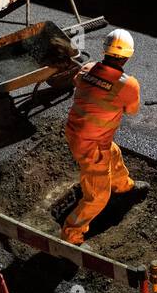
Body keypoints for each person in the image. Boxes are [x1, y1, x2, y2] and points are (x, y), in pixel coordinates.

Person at [61, 29, 149, 244]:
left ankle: (123, 186)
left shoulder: (87, 68)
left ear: (104, 50)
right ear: (129, 55)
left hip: (76, 132)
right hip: (91, 145)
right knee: (97, 197)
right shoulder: (127, 84)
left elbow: (79, 82)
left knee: (113, 153)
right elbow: (131, 110)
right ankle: (71, 236)